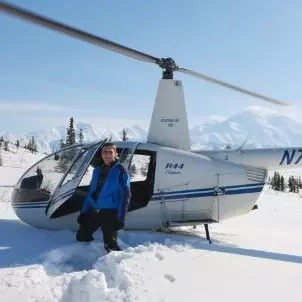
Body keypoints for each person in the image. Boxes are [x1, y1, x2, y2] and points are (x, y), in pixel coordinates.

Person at [76, 142, 131, 253]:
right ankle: (88, 252)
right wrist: (84, 212)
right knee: (81, 236)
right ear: (101, 154)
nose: (107, 155)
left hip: (109, 212)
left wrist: (121, 217)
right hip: (94, 209)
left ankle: (119, 265)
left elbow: (126, 195)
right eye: (104, 152)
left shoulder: (121, 170)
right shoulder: (97, 169)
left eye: (110, 152)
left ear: (116, 153)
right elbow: (91, 191)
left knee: (111, 246)